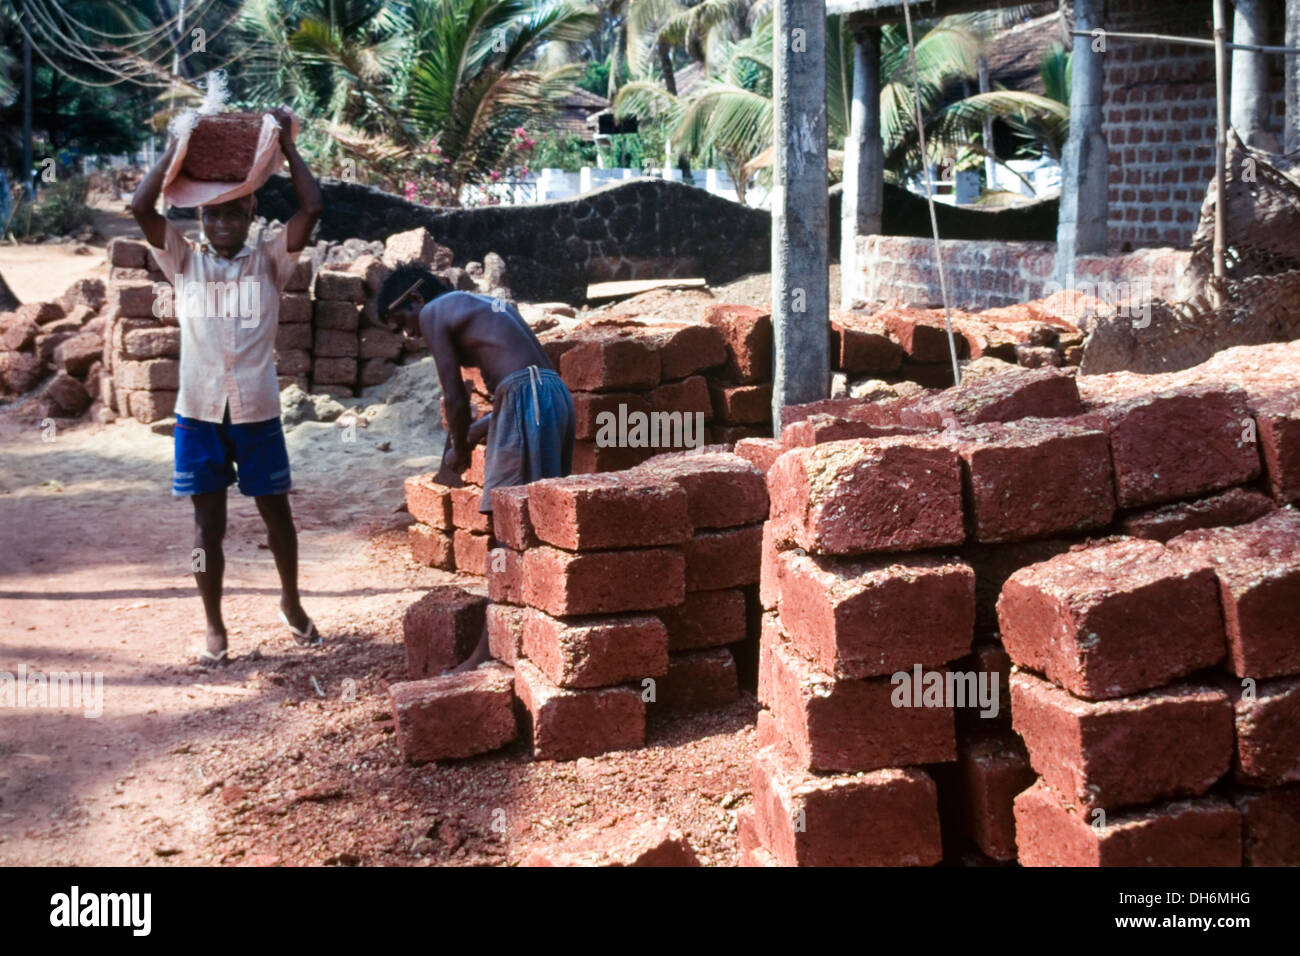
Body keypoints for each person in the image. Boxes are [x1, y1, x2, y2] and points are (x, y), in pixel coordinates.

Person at [131, 106, 324, 667]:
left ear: (250, 213)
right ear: (197, 222)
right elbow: (141, 206)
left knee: (277, 516)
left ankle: (290, 600)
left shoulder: (269, 262)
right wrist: (176, 143)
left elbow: (313, 206)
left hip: (257, 413)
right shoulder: (183, 262)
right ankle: (214, 625)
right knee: (205, 525)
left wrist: (286, 146)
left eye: (232, 215)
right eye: (210, 218)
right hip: (198, 414)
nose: (220, 227)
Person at [377, 265, 576, 671]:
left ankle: (489, 652)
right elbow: (520, 387)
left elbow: (454, 398)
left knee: (509, 528)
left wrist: (459, 446)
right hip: (552, 395)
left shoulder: (434, 312)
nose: (409, 335)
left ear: (415, 300)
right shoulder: (488, 304)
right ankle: (534, 628)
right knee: (537, 523)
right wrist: (469, 437)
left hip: (528, 397)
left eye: (402, 322)